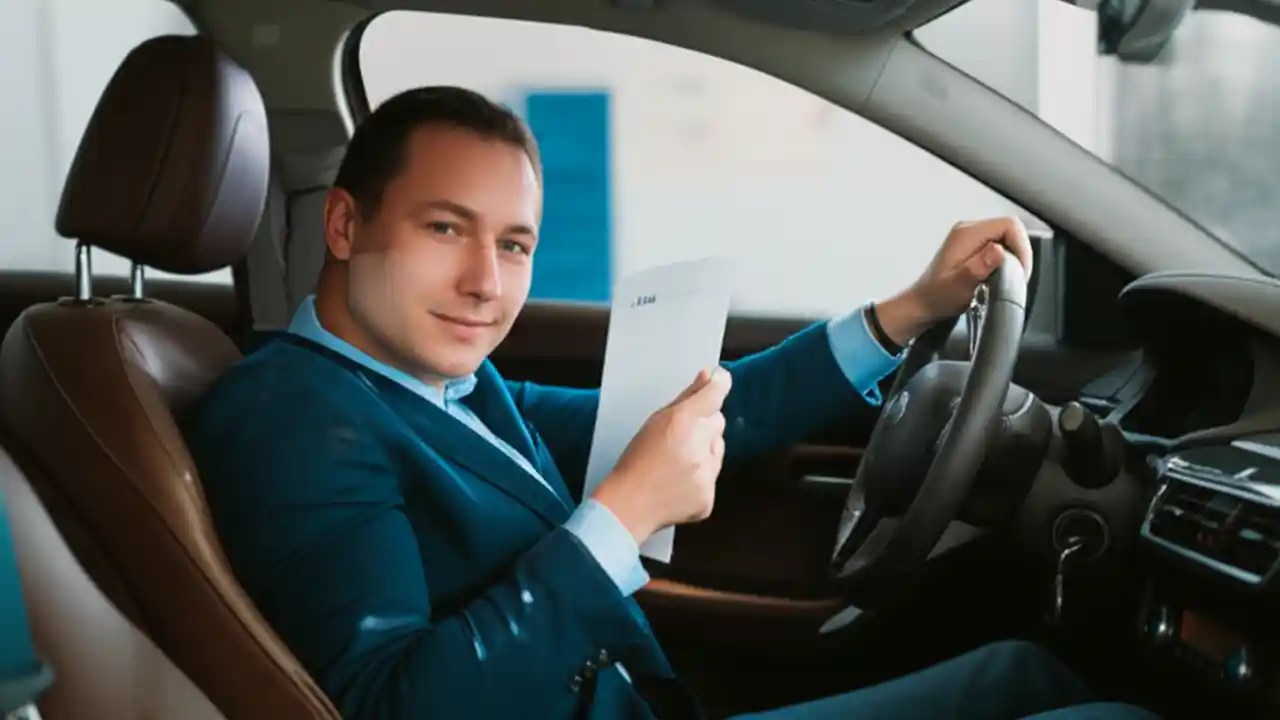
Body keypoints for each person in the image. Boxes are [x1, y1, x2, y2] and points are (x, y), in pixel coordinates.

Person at [183, 86, 1157, 720]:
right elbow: (391, 708)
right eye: (447, 229)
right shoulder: (295, 415)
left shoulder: (448, 387)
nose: (487, 282)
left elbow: (701, 411)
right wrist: (622, 518)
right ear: (346, 225)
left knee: (1022, 675)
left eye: (515, 245)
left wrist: (904, 312)